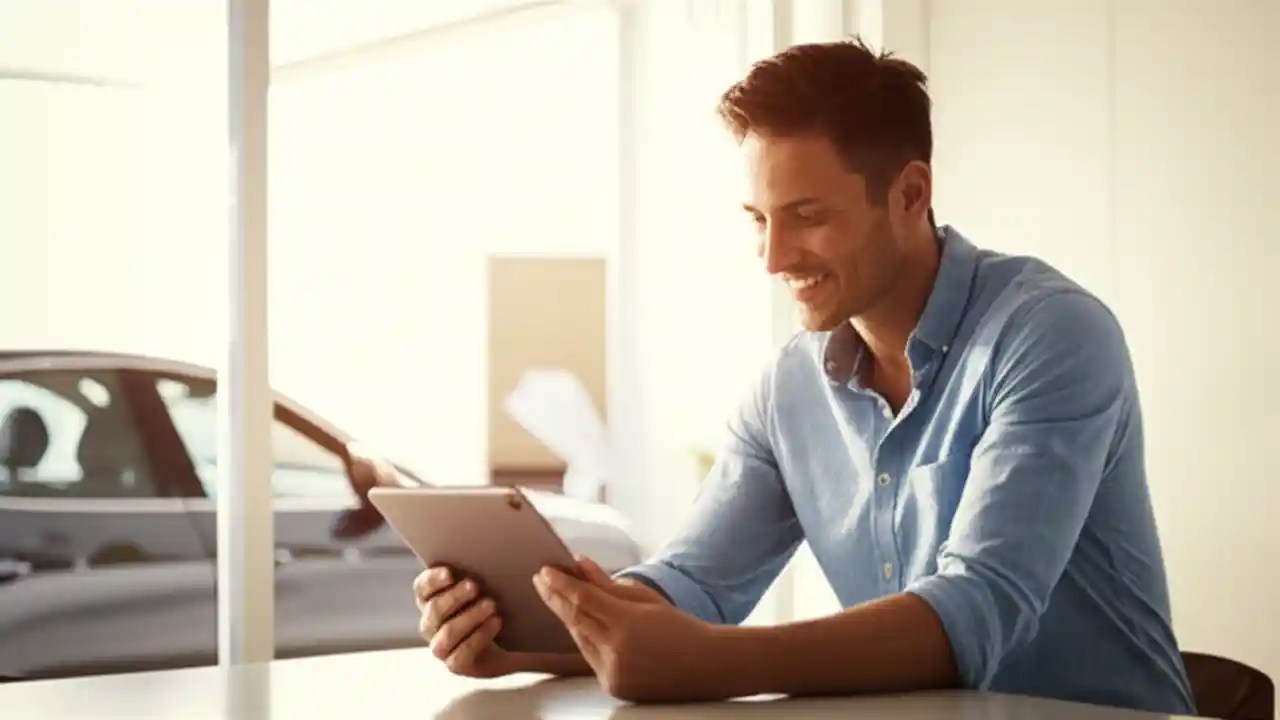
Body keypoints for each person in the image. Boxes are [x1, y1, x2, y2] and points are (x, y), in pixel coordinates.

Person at [412, 37, 1196, 715]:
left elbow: (980, 608)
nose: (773, 258)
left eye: (808, 216)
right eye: (759, 219)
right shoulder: (789, 388)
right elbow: (693, 585)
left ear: (910, 195)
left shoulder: (1051, 335)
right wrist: (537, 639)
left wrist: (707, 664)